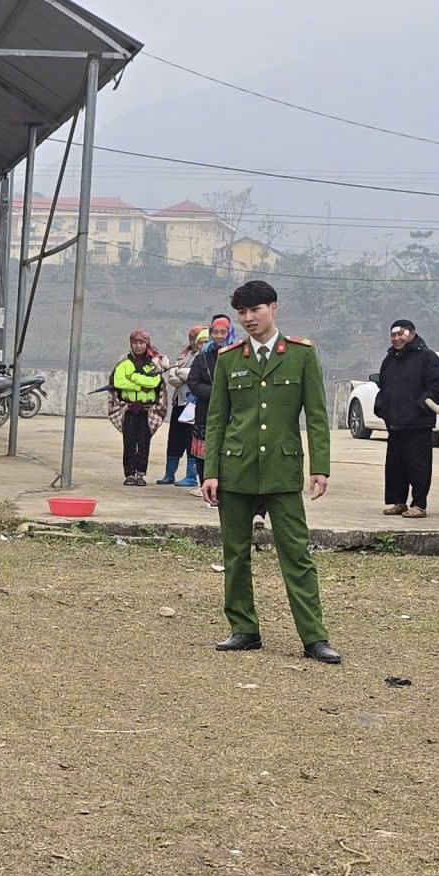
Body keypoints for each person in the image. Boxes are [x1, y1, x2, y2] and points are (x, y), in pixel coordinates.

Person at [201, 279, 340, 663]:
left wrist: (320, 467)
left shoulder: (300, 355)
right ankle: (243, 629)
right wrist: (210, 471)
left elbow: (316, 415)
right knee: (236, 553)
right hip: (236, 470)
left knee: (296, 553)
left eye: (255, 310)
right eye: (242, 313)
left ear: (273, 308)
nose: (248, 319)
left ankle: (314, 637)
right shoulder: (229, 358)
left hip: (282, 470)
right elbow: (217, 420)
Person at [371, 319, 439, 516]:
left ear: (412, 334)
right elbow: (384, 387)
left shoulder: (428, 357)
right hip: (395, 423)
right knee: (395, 466)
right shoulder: (389, 359)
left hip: (418, 423)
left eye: (401, 334)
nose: (397, 338)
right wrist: (381, 408)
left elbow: (437, 388)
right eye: (393, 335)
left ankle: (419, 504)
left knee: (418, 466)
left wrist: (418, 406)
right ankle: (399, 502)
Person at [110, 330, 165, 486]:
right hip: (129, 408)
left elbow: (154, 382)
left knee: (143, 442)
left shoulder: (152, 363)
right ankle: (129, 473)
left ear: (146, 344)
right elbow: (119, 382)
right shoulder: (124, 363)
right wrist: (140, 383)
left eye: (141, 343)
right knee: (129, 442)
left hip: (147, 410)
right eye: (135, 343)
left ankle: (141, 473)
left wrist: (132, 377)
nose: (138, 346)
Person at [186, 313, 234, 465]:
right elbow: (193, 382)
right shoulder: (202, 356)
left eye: (223, 332)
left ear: (230, 332)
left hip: (233, 413)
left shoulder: (239, 354)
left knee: (229, 456)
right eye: (215, 332)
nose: (219, 336)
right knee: (203, 458)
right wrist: (216, 393)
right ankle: (204, 487)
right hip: (205, 412)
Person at [159, 331, 205, 487]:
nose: (196, 342)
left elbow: (195, 374)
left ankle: (191, 476)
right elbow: (173, 377)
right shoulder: (184, 355)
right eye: (194, 339)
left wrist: (182, 372)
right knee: (175, 438)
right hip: (179, 402)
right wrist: (183, 373)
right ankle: (169, 474)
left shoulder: (207, 357)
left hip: (194, 403)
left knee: (191, 439)